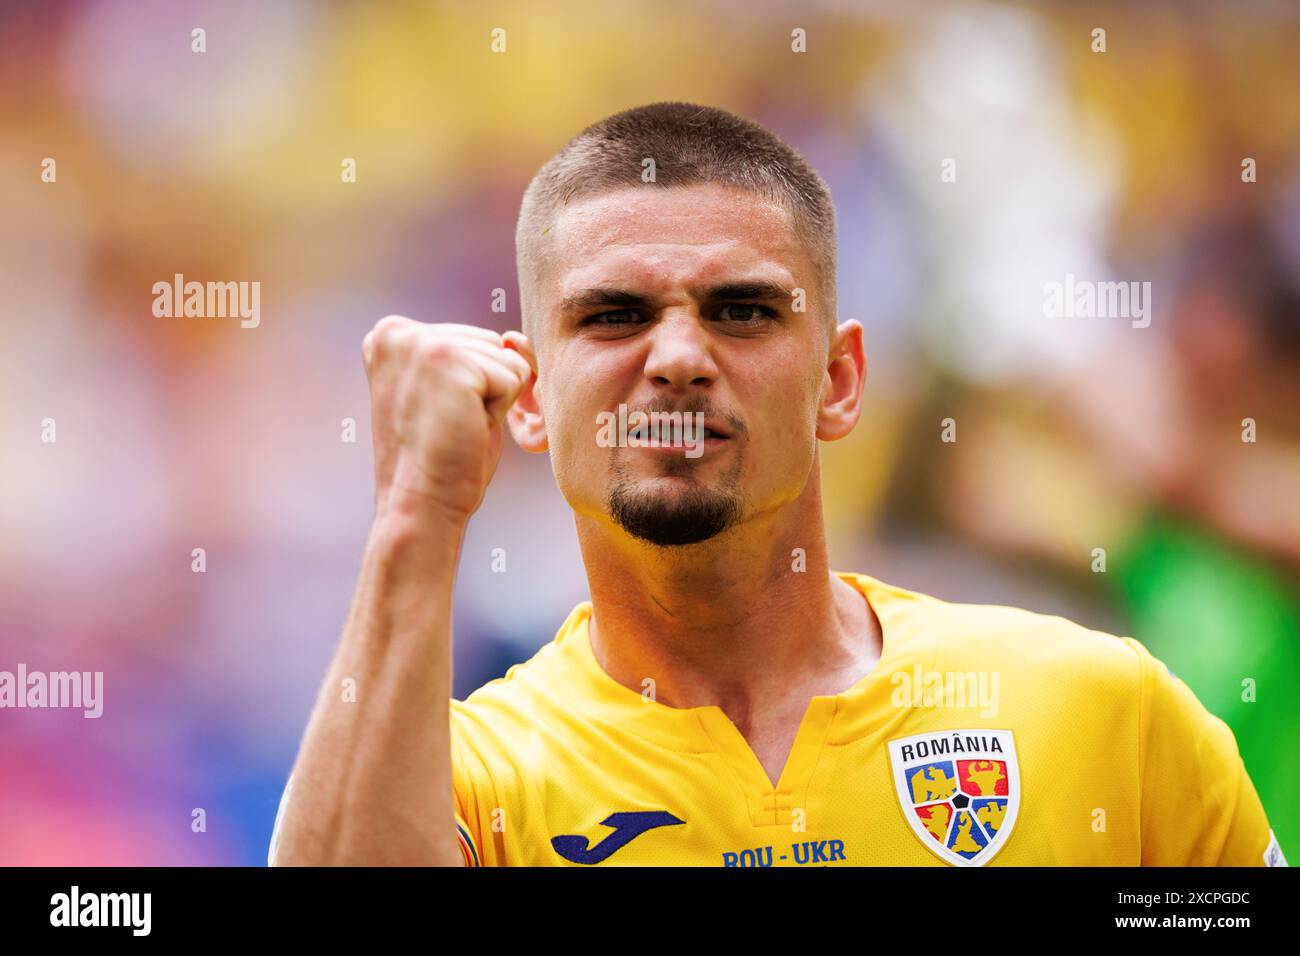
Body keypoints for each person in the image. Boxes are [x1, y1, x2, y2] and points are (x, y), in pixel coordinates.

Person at [268, 102, 1283, 867]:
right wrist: (416, 512)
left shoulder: (1105, 711)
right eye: (613, 315)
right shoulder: (474, 780)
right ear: (527, 394)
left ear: (837, 381)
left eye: (743, 311)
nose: (676, 356)